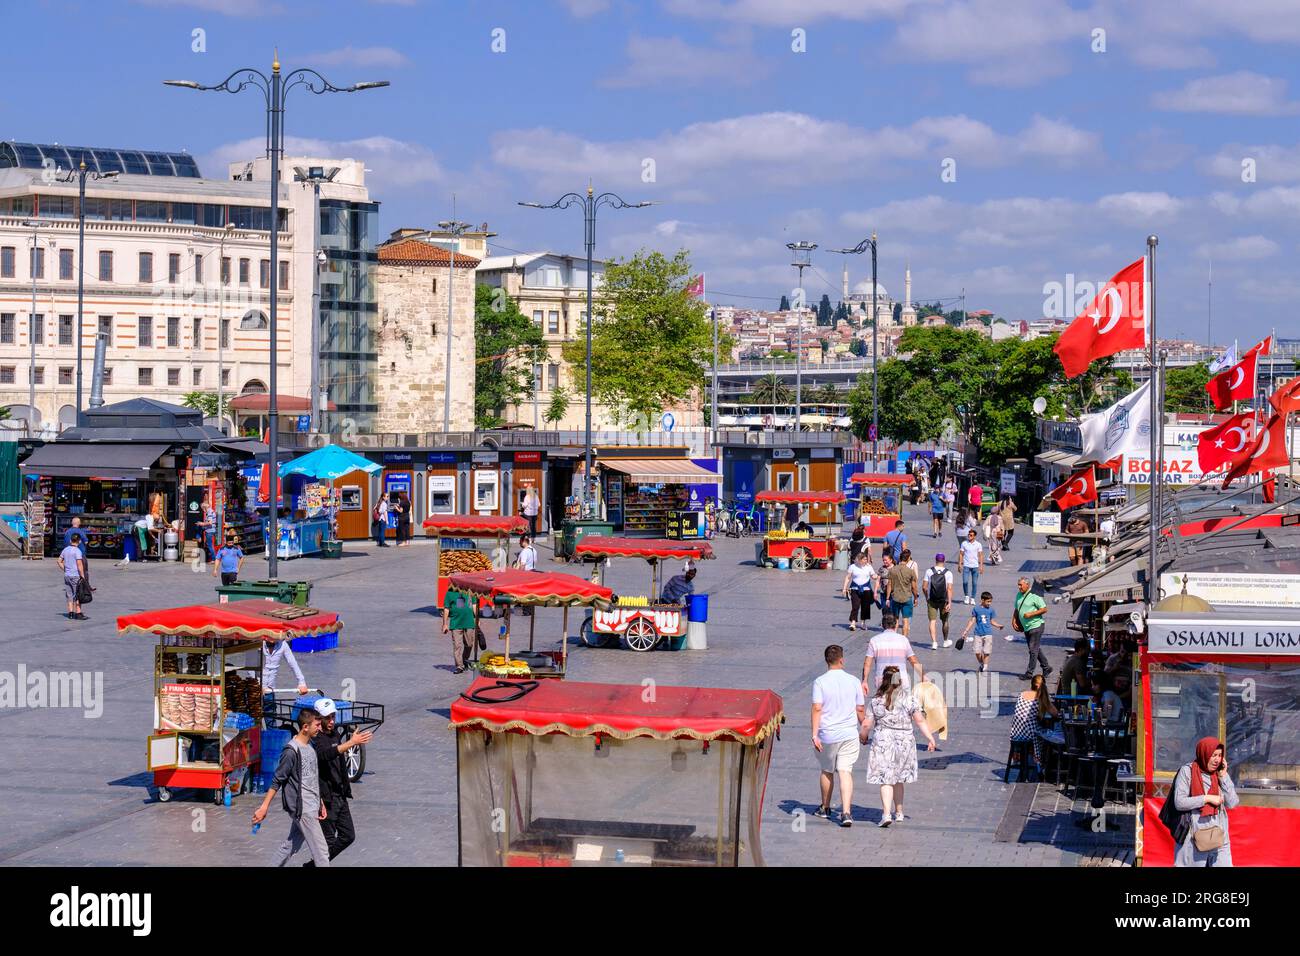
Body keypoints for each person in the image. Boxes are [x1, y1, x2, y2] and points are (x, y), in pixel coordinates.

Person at [252, 707, 331, 867]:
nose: (319, 727)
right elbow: (277, 780)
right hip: (303, 809)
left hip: (311, 804)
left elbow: (312, 778)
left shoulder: (311, 747)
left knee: (290, 846)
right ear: (305, 727)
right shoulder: (291, 751)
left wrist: (319, 801)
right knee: (322, 853)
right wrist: (264, 807)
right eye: (316, 725)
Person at [861, 666, 938, 826]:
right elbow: (920, 720)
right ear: (900, 680)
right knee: (898, 778)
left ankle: (886, 814)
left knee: (886, 779)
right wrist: (930, 738)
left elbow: (866, 724)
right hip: (904, 742)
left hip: (883, 742)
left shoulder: (876, 701)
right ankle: (900, 812)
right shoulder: (909, 699)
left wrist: (863, 737)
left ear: (884, 680)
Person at [306, 698, 373, 865]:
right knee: (327, 843)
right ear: (318, 718)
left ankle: (313, 865)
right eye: (327, 718)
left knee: (348, 836)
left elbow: (338, 758)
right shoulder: (316, 738)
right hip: (326, 799)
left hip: (340, 795)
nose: (331, 721)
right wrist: (351, 743)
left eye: (333, 717)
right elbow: (325, 754)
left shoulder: (335, 733)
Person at [812, 644, 866, 827]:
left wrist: (814, 735)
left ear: (826, 660)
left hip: (827, 734)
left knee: (827, 770)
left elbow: (817, 708)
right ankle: (846, 812)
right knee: (845, 771)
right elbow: (860, 709)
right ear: (841, 660)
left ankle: (825, 808)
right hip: (849, 734)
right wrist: (864, 729)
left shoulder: (820, 681)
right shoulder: (853, 681)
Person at [1171, 738, 1239, 867]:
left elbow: (1233, 803)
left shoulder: (1219, 773)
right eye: (1213, 755)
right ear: (1204, 753)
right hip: (1193, 839)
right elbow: (1179, 802)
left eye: (1219, 755)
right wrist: (1207, 798)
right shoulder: (1187, 771)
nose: (1217, 760)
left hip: (1219, 839)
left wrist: (1223, 777)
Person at [1009, 674, 1059, 778]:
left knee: (1039, 728)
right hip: (1029, 733)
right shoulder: (1041, 698)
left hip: (1015, 732)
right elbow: (1055, 713)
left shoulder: (1022, 694)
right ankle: (1041, 765)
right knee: (1047, 735)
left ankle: (1026, 760)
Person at [862, 611, 924, 693]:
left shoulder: (874, 640)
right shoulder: (903, 640)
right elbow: (913, 661)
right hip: (901, 681)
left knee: (883, 704)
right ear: (896, 624)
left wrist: (864, 681)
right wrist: (923, 676)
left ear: (883, 625)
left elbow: (867, 663)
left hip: (882, 682)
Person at [1013, 577, 1051, 681]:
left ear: (1027, 585)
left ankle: (1029, 673)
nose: (1019, 587)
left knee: (1032, 649)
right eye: (1018, 584)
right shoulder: (1018, 595)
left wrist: (1031, 614)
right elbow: (1017, 609)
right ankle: (1046, 667)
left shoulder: (1035, 595)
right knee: (1035, 648)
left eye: (1021, 585)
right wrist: (1014, 620)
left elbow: (1044, 609)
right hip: (1026, 627)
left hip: (1036, 626)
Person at [959, 591, 1003, 672]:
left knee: (987, 651)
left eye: (990, 601)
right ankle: (982, 663)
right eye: (988, 601)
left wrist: (998, 625)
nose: (989, 603)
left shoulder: (991, 610)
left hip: (988, 633)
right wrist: (966, 631)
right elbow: (972, 620)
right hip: (978, 633)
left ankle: (985, 667)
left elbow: (992, 621)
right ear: (982, 600)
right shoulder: (976, 609)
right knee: (977, 651)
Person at [443, 585, 478, 675]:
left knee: (469, 644)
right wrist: (445, 624)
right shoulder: (449, 593)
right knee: (457, 646)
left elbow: (474, 606)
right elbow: (446, 609)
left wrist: (477, 619)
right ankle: (459, 666)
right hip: (455, 623)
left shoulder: (470, 591)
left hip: (469, 622)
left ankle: (464, 660)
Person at [885, 548, 919, 637]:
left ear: (900, 559)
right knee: (905, 620)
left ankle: (894, 636)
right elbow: (914, 587)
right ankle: (904, 639)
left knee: (895, 619)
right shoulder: (910, 571)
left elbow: (889, 585)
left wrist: (888, 598)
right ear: (908, 559)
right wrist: (915, 597)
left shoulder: (893, 570)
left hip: (895, 597)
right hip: (907, 597)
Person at [923, 553, 954, 650]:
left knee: (932, 621)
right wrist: (949, 602)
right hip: (943, 600)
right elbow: (949, 589)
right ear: (944, 561)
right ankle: (945, 641)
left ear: (935, 560)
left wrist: (927, 597)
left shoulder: (929, 571)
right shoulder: (948, 573)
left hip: (932, 600)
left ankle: (934, 642)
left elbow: (924, 587)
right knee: (945, 620)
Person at [842, 550, 878, 631]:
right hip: (855, 589)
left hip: (866, 589)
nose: (866, 561)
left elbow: (873, 576)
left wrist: (877, 576)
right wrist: (844, 588)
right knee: (855, 606)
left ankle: (863, 623)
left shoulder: (869, 567)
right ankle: (853, 622)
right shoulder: (852, 567)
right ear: (859, 560)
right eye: (864, 559)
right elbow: (848, 578)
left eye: (866, 559)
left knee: (865, 607)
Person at [59, 532, 87, 621]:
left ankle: (70, 613)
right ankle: (78, 613)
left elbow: (59, 561)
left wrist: (65, 569)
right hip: (75, 576)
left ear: (71, 540)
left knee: (69, 595)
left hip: (67, 576)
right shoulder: (78, 551)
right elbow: (79, 565)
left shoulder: (65, 550)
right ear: (79, 541)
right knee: (78, 594)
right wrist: (82, 576)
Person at [958, 528, 984, 605]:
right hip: (966, 565)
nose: (969, 536)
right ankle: (966, 596)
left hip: (975, 566)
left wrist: (981, 566)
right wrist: (959, 564)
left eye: (971, 535)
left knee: (974, 583)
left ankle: (972, 598)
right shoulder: (964, 543)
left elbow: (981, 555)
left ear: (974, 536)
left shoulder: (978, 544)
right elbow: (961, 554)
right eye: (969, 534)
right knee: (965, 582)